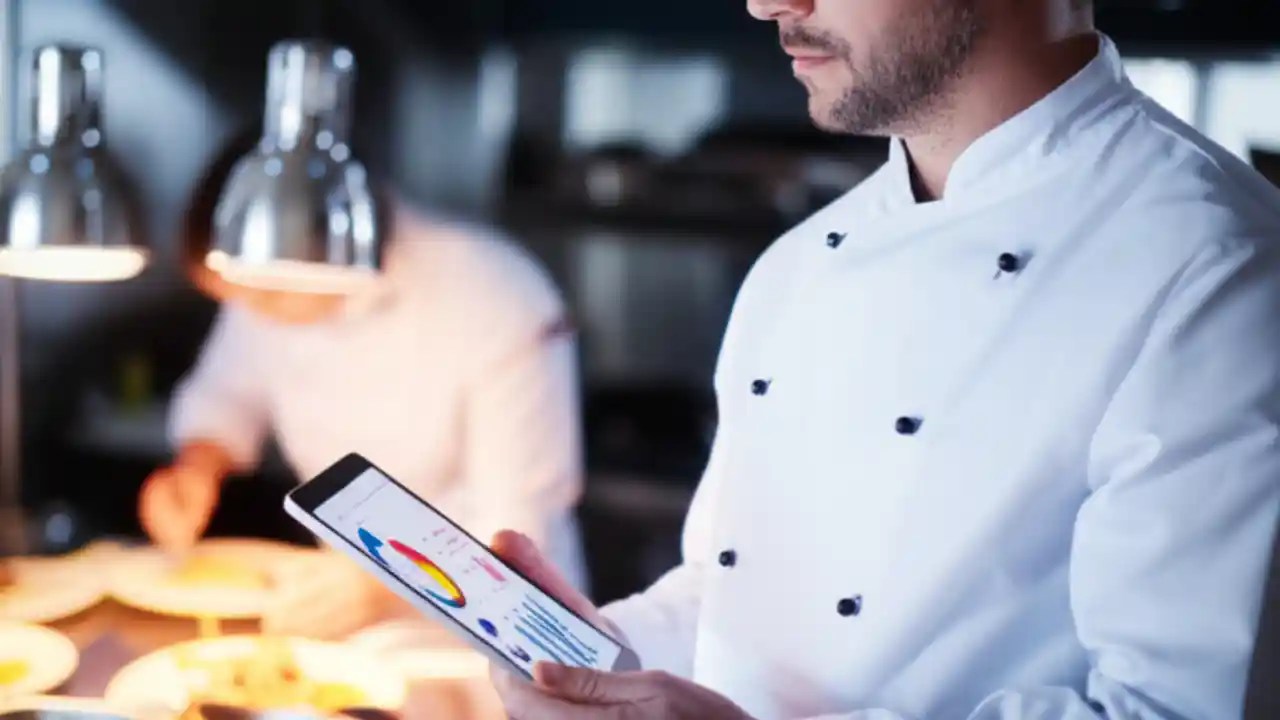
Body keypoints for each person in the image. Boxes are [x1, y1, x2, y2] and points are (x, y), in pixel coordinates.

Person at [490, 0, 1280, 718]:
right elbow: (733, 596)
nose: (768, 4)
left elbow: (1171, 709)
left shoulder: (1216, 268)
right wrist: (598, 657)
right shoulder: (797, 264)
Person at [139, 134, 588, 638]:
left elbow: (519, 535)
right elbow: (227, 392)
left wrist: (388, 585)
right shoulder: (272, 277)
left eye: (263, 297)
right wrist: (199, 465)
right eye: (239, 299)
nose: (252, 313)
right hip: (349, 617)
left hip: (500, 634)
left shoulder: (495, 292)